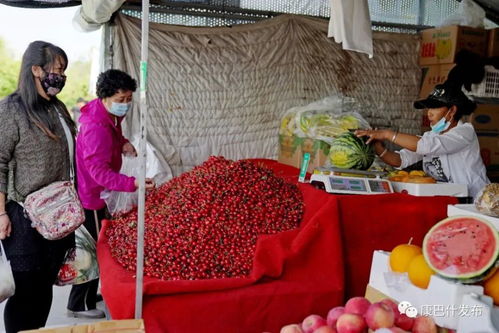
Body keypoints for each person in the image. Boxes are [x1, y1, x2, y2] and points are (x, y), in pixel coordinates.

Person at [0, 41, 76, 333]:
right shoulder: (11, 110)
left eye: (63, 72)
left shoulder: (57, 108)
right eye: (57, 70)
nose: (61, 77)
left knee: (44, 287)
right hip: (23, 218)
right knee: (26, 290)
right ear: (35, 69)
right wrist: (1, 214)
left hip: (58, 215)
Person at [67, 69, 155, 318]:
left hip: (101, 192)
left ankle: (87, 295)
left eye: (129, 99)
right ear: (105, 97)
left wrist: (123, 142)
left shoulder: (106, 114)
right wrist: (132, 183)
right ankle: (78, 305)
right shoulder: (95, 127)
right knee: (93, 249)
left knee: (98, 246)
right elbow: (98, 173)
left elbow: (114, 135)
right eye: (120, 100)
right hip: (93, 196)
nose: (125, 105)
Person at [355, 83, 490, 199]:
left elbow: (426, 146)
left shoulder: (465, 131)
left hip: (475, 200)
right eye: (429, 108)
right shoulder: (431, 135)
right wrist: (377, 147)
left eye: (435, 108)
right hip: (446, 199)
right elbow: (399, 160)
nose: (429, 113)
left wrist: (387, 134)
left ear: (452, 110)